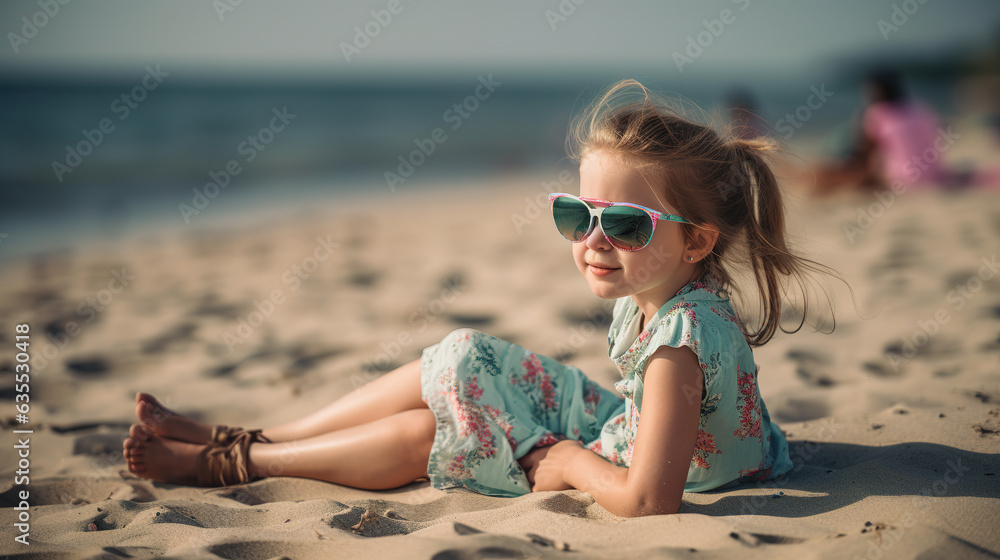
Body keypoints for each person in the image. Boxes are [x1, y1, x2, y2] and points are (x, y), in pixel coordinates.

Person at [122, 79, 843, 518]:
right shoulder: (663, 293)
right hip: (623, 427)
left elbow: (651, 501)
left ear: (697, 242)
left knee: (433, 435)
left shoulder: (680, 345)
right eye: (578, 215)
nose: (595, 239)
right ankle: (255, 435)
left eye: (626, 224)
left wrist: (570, 464)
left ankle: (233, 463)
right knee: (465, 353)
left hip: (620, 455)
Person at [814, 69, 949, 194]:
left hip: (902, 179)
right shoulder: (920, 107)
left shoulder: (877, 113)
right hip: (936, 174)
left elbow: (863, 155)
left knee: (845, 174)